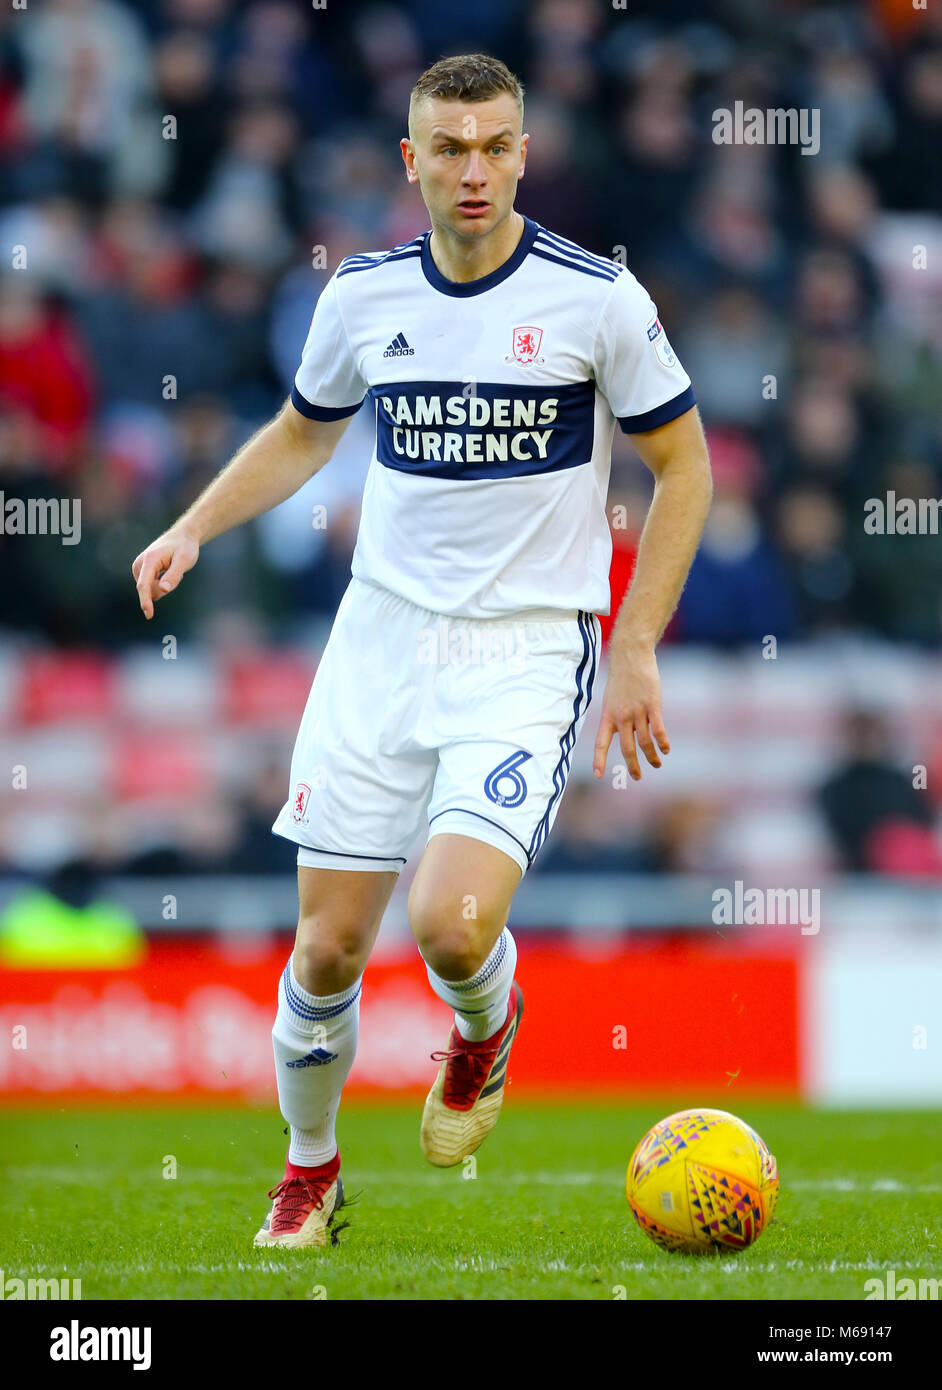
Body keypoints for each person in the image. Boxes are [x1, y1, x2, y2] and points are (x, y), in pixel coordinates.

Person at [131, 53, 712, 1249]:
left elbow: (687, 465)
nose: (473, 170)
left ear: (523, 155)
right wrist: (192, 523)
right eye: (449, 148)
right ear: (412, 160)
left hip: (526, 652)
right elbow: (302, 433)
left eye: (496, 146)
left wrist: (637, 645)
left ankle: (484, 1026)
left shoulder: (598, 298)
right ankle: (311, 1170)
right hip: (379, 641)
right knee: (330, 946)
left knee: (448, 924)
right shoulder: (363, 297)